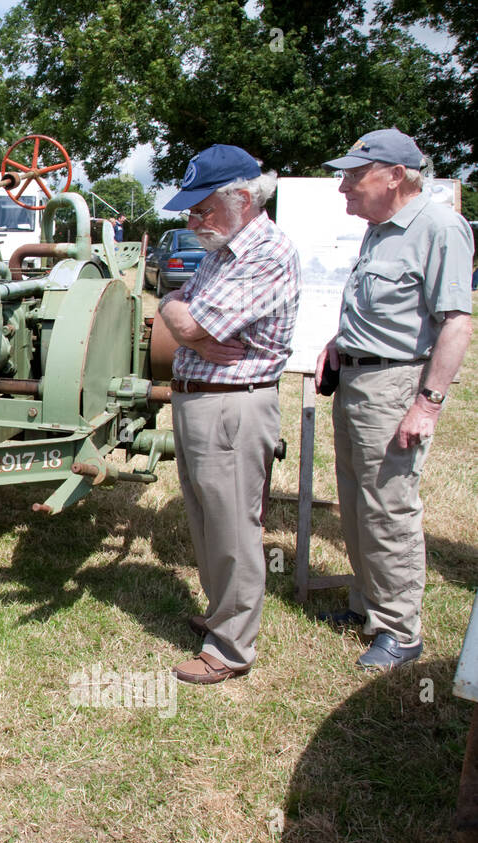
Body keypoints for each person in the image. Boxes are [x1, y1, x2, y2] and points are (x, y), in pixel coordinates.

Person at [315, 128, 473, 670]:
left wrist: (427, 404)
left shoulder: (439, 226)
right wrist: (341, 343)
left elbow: (454, 322)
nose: (343, 188)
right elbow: (387, 309)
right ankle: (368, 607)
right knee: (357, 503)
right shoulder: (381, 228)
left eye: (355, 176)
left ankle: (401, 632)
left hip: (396, 386)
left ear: (395, 175)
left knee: (389, 508)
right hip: (359, 381)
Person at [156, 144, 301, 684]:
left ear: (243, 197)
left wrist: (183, 319)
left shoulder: (266, 251)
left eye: (203, 208)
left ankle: (232, 648)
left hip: (232, 405)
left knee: (233, 524)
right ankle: (221, 616)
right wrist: (180, 313)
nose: (194, 221)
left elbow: (187, 325)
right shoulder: (223, 249)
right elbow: (173, 304)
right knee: (205, 516)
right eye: (192, 211)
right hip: (201, 397)